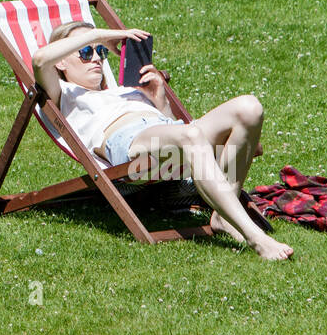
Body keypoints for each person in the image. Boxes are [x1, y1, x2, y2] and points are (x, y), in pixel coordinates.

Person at [32, 20, 294, 260]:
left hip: (167, 134)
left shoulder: (123, 90)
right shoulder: (62, 94)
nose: (97, 60)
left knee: (249, 107)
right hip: (127, 143)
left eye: (99, 52)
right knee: (190, 135)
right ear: (62, 63)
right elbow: (40, 58)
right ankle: (255, 237)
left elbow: (170, 128)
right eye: (86, 52)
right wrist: (100, 34)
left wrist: (160, 100)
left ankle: (223, 219)